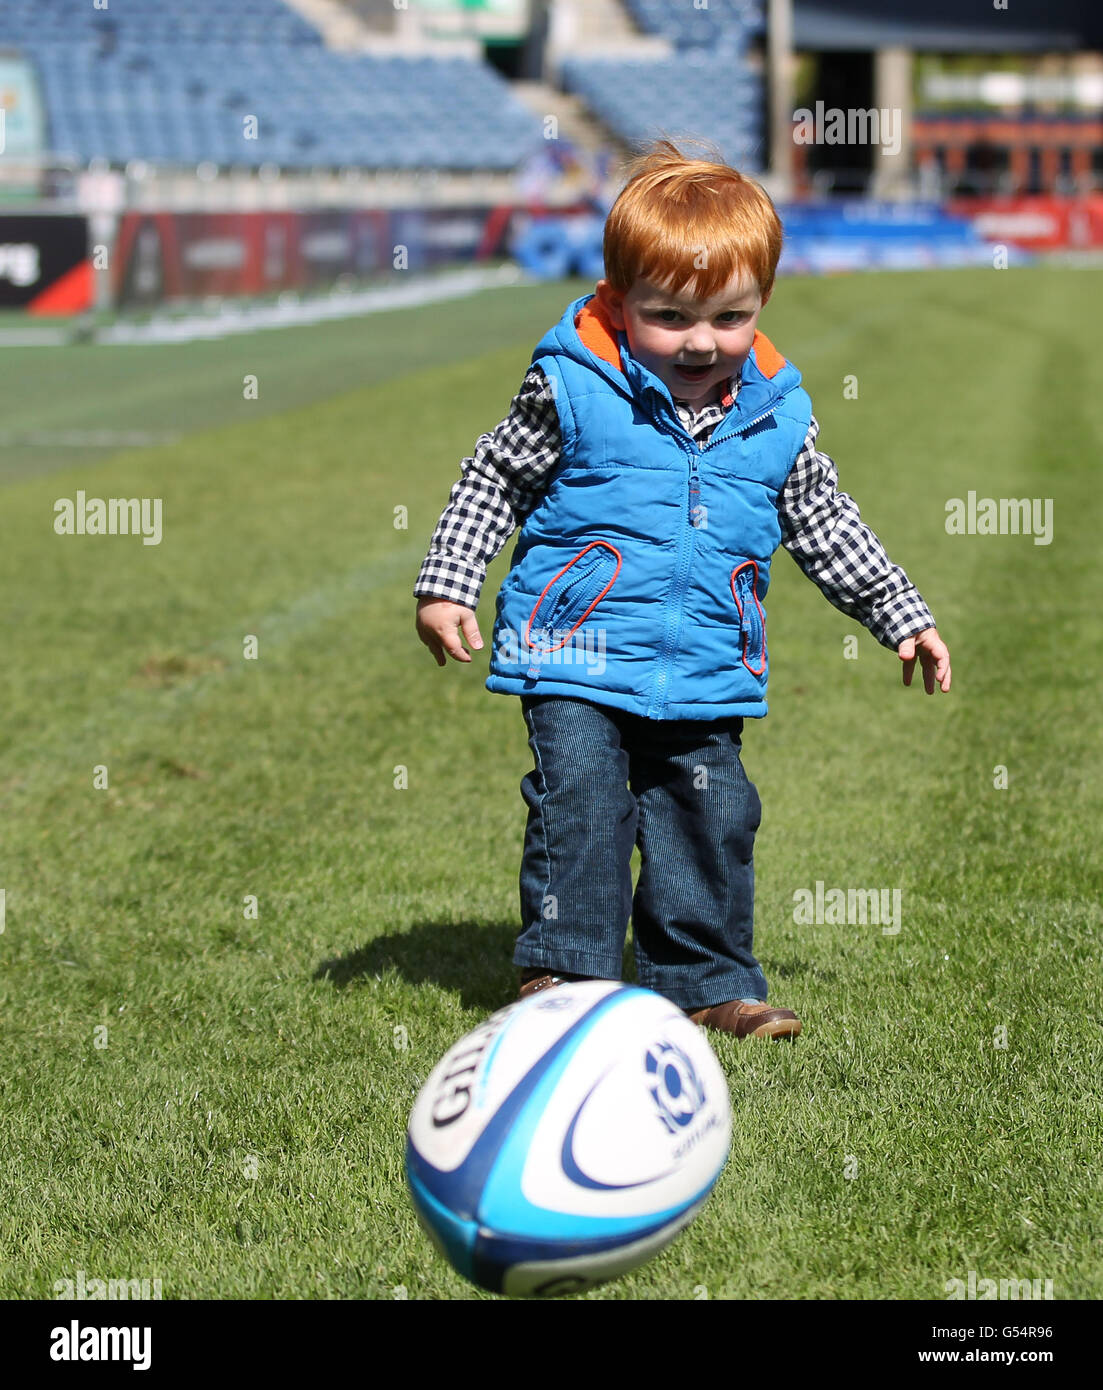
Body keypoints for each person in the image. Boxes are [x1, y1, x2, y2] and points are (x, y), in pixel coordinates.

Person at [413, 138, 951, 1039]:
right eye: (669, 317)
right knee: (580, 802)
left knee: (709, 814)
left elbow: (823, 522)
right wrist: (447, 581)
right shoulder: (573, 387)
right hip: (573, 650)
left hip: (705, 663)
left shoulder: (777, 414)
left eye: (729, 318)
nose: (701, 341)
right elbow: (493, 478)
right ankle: (567, 978)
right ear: (619, 305)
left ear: (761, 304)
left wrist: (899, 615)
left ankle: (705, 983)